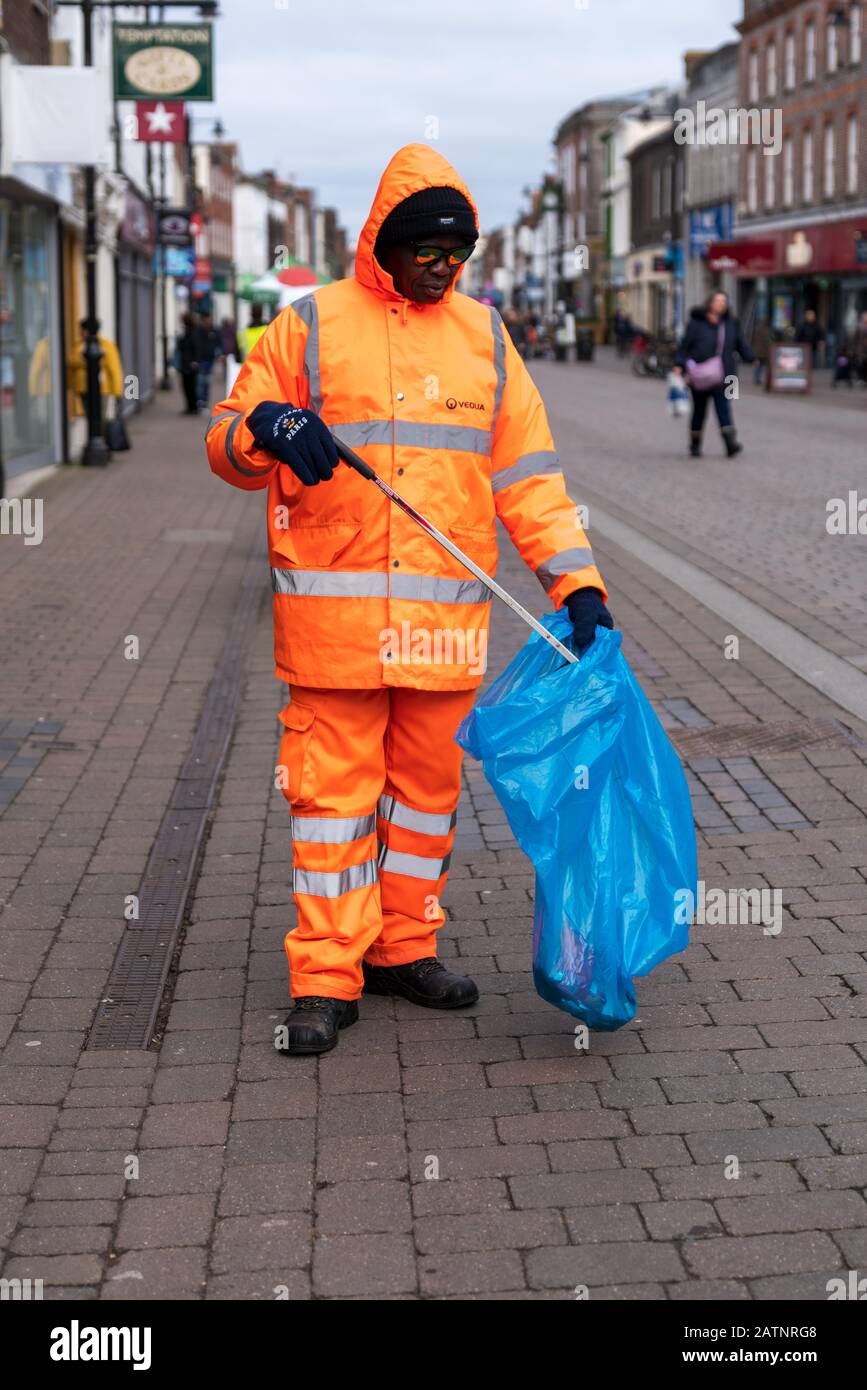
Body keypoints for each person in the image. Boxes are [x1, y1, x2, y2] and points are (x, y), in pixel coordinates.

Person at [206, 144, 612, 1056]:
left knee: (425, 800)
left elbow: (530, 480)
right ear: (383, 244)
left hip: (441, 633)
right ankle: (324, 975)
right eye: (427, 249)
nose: (442, 265)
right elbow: (227, 440)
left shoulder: (485, 339)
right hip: (334, 629)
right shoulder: (309, 328)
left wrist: (576, 584)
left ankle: (403, 947)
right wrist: (267, 426)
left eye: (456, 253)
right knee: (334, 805)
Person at [673, 291, 754, 458]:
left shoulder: (731, 323)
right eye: (718, 301)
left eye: (724, 301)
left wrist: (753, 357)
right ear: (710, 303)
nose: (721, 304)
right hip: (700, 375)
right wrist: (679, 364)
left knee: (724, 409)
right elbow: (685, 346)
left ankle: (731, 444)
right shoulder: (696, 324)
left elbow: (741, 345)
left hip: (727, 376)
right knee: (699, 411)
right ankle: (695, 444)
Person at [67, 320, 124, 419]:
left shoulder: (106, 345)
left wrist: (117, 391)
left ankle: (100, 433)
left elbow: (114, 369)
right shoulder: (79, 345)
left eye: (83, 331)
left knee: (99, 416)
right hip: (83, 388)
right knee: (89, 416)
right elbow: (71, 361)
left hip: (101, 389)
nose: (80, 333)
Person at [194, 312, 221, 412]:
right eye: (207, 319)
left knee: (207, 381)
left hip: (210, 360)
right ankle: (200, 402)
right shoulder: (199, 331)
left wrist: (218, 354)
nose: (209, 321)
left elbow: (219, 342)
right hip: (201, 360)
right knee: (201, 381)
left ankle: (204, 402)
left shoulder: (214, 330)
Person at [174, 313, 199, 415]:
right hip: (188, 363)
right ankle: (191, 407)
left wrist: (193, 361)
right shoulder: (190, 332)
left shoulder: (190, 333)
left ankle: (192, 407)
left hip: (188, 364)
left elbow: (193, 347)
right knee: (189, 386)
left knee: (189, 386)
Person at [752, 317, 773, 386]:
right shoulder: (766, 330)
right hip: (763, 351)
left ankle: (756, 378)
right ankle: (759, 379)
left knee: (759, 365)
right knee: (762, 366)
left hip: (758, 350)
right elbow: (768, 341)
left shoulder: (756, 329)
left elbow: (753, 339)